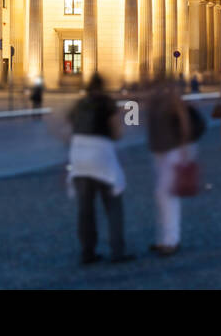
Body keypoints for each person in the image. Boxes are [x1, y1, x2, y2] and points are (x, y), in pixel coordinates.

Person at [67, 74, 133, 265]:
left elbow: (70, 128)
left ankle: (87, 252)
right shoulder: (107, 103)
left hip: (78, 155)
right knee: (113, 203)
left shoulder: (79, 104)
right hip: (100, 155)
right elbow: (117, 133)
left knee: (85, 209)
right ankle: (117, 251)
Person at [146, 79, 199, 255]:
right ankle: (163, 239)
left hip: (173, 151)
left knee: (166, 194)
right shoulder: (155, 100)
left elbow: (184, 123)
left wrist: (184, 148)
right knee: (161, 195)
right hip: (160, 151)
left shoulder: (173, 100)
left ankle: (171, 240)